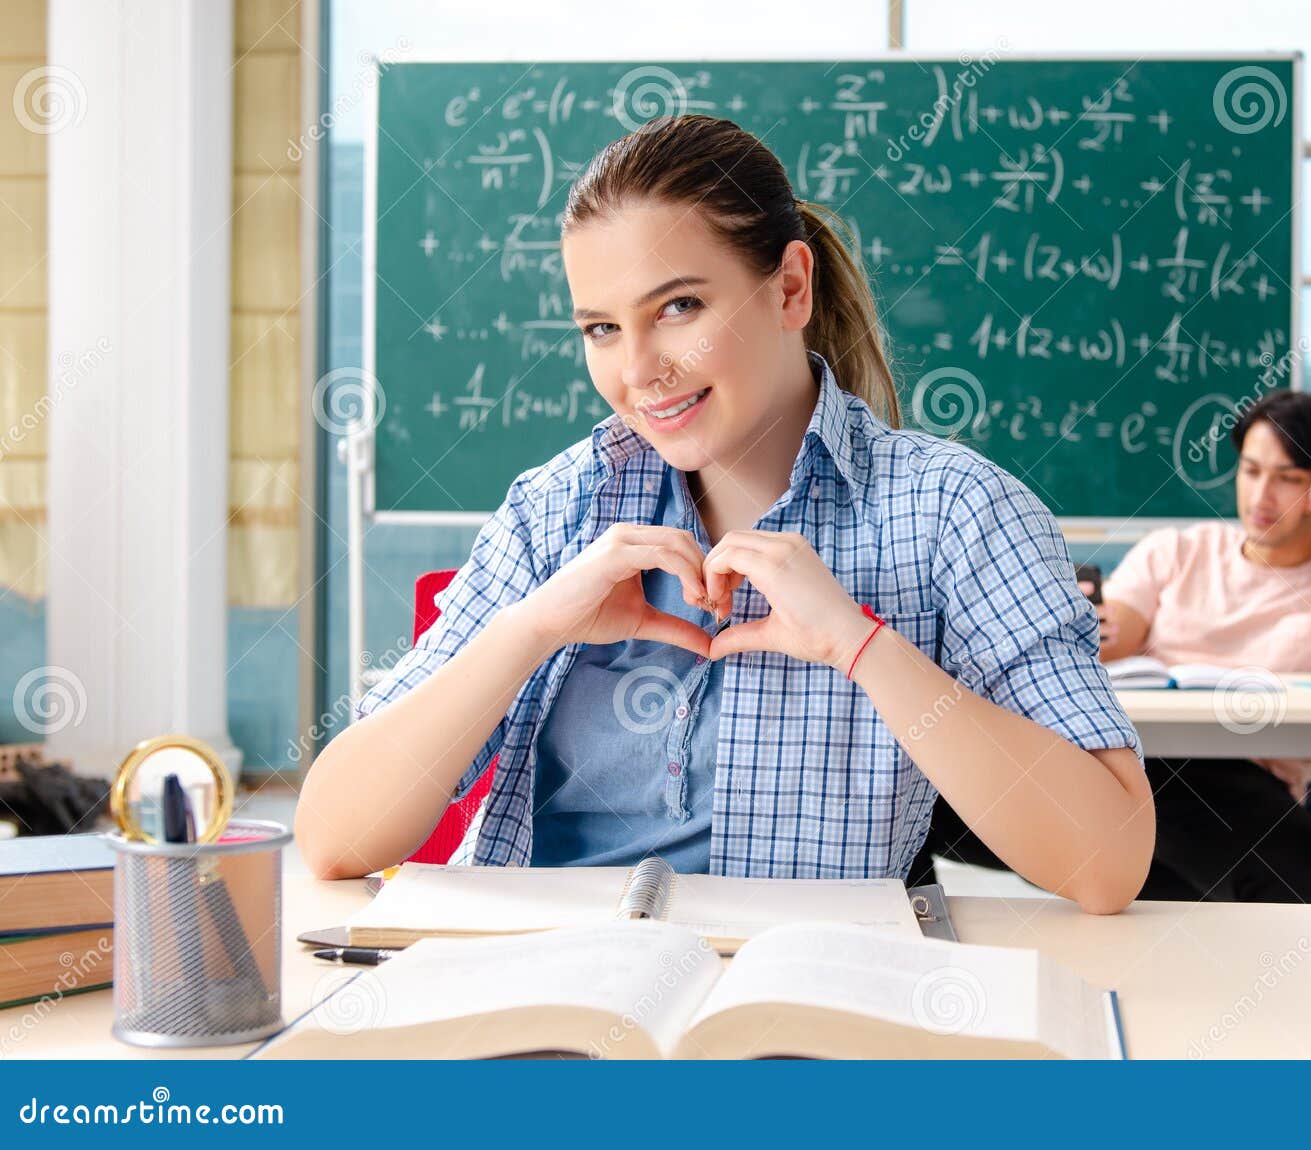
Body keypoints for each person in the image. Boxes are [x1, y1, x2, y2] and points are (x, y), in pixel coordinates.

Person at [296, 115, 1153, 913]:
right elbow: (334, 839)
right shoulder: (553, 512)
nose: (639, 370)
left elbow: (1107, 864)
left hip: (796, 1014)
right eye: (600, 328)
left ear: (788, 289)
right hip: (546, 999)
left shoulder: (955, 511)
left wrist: (861, 645)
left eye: (678, 308)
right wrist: (534, 628)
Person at [1098, 390, 1311, 902]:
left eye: (1288, 479)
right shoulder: (1177, 551)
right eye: (1251, 471)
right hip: (1142, 758)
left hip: (1248, 788)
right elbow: (1109, 638)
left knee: (1288, 863)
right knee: (943, 794)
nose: (1261, 497)